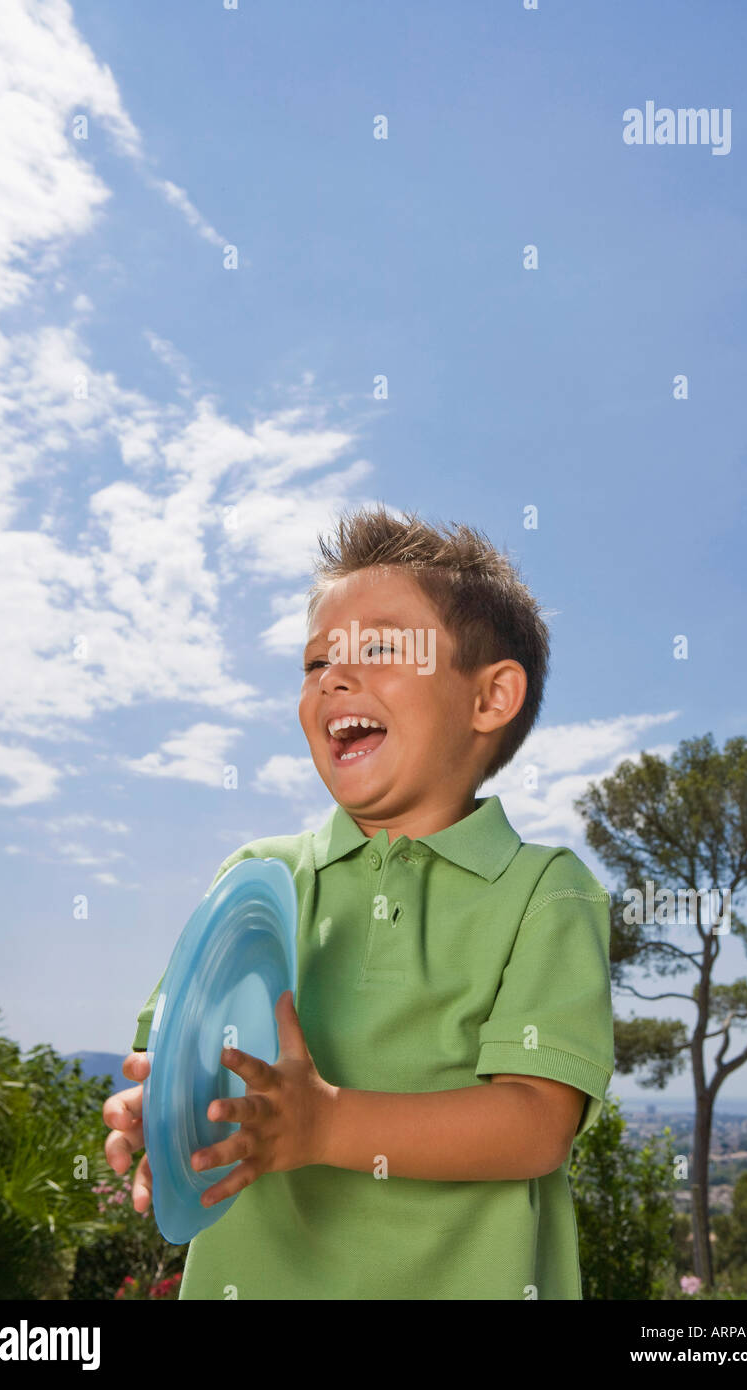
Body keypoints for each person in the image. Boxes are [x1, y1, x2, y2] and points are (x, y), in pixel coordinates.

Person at [103, 503, 614, 1299]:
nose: (334, 677)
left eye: (380, 649)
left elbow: (536, 1124)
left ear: (490, 699)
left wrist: (326, 1125)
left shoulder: (543, 891)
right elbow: (192, 1065)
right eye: (315, 665)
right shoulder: (254, 879)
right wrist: (158, 1112)